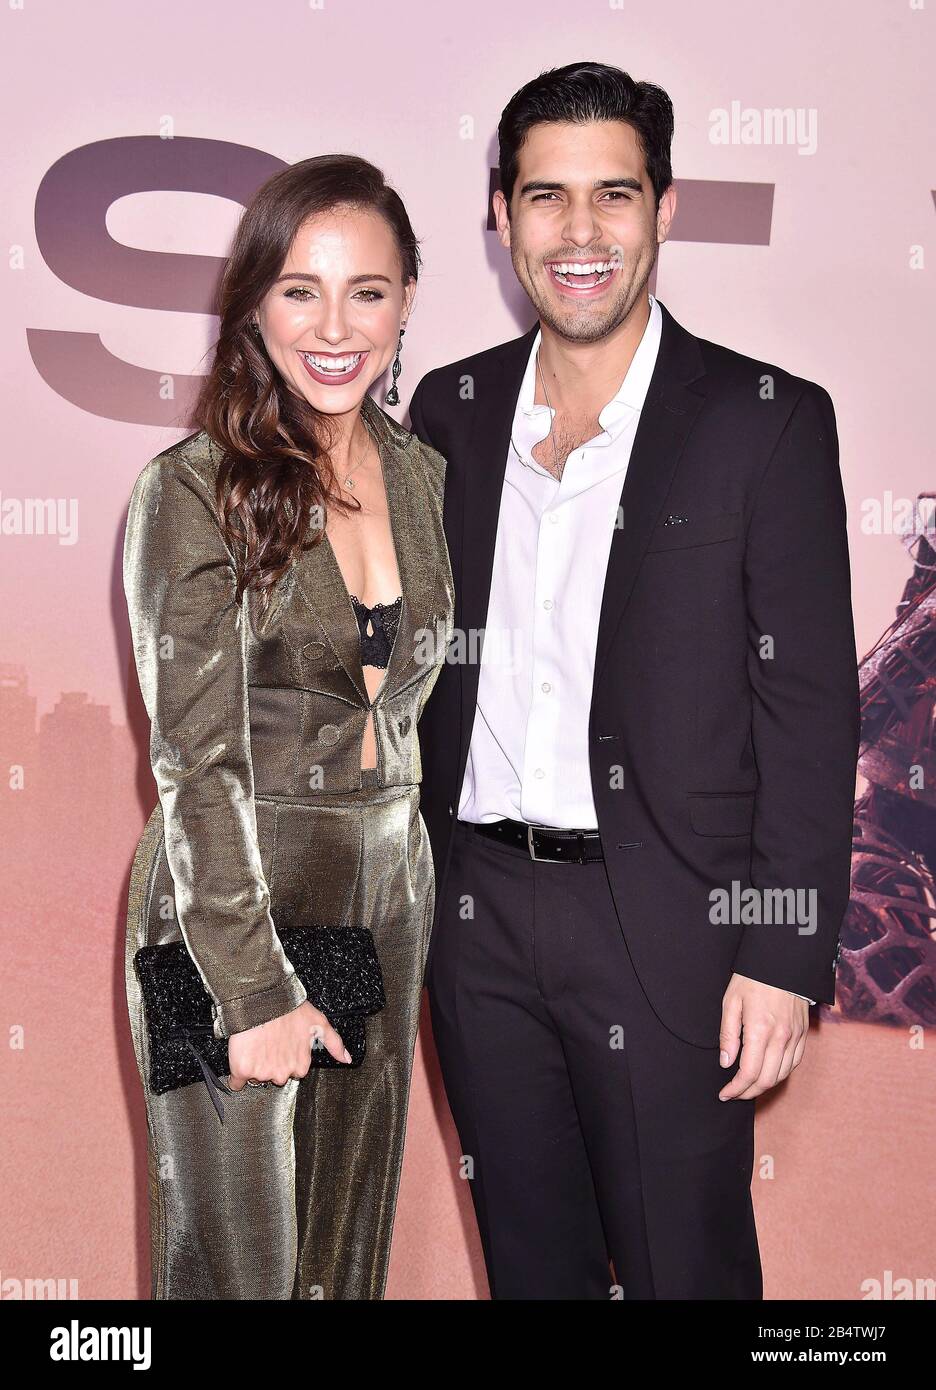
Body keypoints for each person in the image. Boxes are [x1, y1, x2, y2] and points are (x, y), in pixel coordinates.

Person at [409, 62, 860, 1299]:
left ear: (665, 208)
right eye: (545, 196)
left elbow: (811, 712)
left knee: (685, 1270)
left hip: (671, 927)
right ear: (501, 216)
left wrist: (784, 954)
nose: (581, 232)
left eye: (614, 193)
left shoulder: (765, 420)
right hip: (478, 920)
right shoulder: (448, 412)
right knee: (531, 1269)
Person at [123, 154, 453, 1300]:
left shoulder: (423, 477)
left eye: (368, 290)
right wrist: (253, 992)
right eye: (300, 290)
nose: (336, 326)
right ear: (254, 304)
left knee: (339, 1262)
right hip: (228, 908)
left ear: (407, 301)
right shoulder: (192, 488)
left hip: (382, 905)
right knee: (238, 1270)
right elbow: (194, 761)